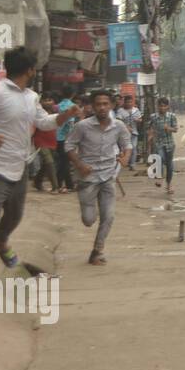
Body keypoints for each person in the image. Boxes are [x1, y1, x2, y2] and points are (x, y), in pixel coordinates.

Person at [0, 47, 79, 284]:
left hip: (18, 168)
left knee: (14, 217)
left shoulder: (31, 97)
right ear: (31, 70)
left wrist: (64, 116)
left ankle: (2, 244)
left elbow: (43, 123)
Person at [65, 90, 132, 266]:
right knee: (88, 220)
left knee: (108, 216)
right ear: (92, 107)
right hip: (87, 178)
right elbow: (69, 145)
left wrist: (125, 157)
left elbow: (127, 144)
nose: (102, 107)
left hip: (108, 176)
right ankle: (88, 214)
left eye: (105, 104)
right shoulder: (83, 126)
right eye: (98, 104)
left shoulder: (118, 126)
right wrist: (79, 164)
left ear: (111, 105)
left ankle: (97, 251)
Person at [32, 94, 61, 193]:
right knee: (49, 161)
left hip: (52, 140)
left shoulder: (56, 112)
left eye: (50, 99)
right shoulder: (36, 113)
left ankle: (37, 181)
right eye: (45, 100)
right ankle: (55, 187)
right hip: (40, 140)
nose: (48, 102)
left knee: (46, 164)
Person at [149, 96, 178, 195]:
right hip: (158, 143)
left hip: (169, 143)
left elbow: (175, 129)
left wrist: (168, 128)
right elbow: (151, 127)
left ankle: (169, 184)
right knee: (160, 159)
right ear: (157, 106)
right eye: (160, 106)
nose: (162, 108)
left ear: (167, 107)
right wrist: (151, 136)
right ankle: (159, 178)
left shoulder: (171, 116)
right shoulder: (153, 117)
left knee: (169, 165)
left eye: (164, 106)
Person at [54, 86, 77, 193]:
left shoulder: (57, 106)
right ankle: (58, 184)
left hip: (56, 136)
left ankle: (69, 184)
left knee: (63, 161)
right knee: (64, 162)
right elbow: (70, 123)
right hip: (66, 137)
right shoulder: (72, 106)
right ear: (73, 94)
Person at [115, 93, 142, 172]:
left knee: (133, 147)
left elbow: (140, 119)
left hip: (134, 133)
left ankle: (132, 165)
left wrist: (138, 120)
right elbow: (118, 120)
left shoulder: (136, 110)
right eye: (127, 102)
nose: (129, 104)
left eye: (130, 102)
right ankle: (124, 162)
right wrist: (126, 127)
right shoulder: (120, 111)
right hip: (123, 134)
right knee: (124, 149)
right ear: (124, 102)